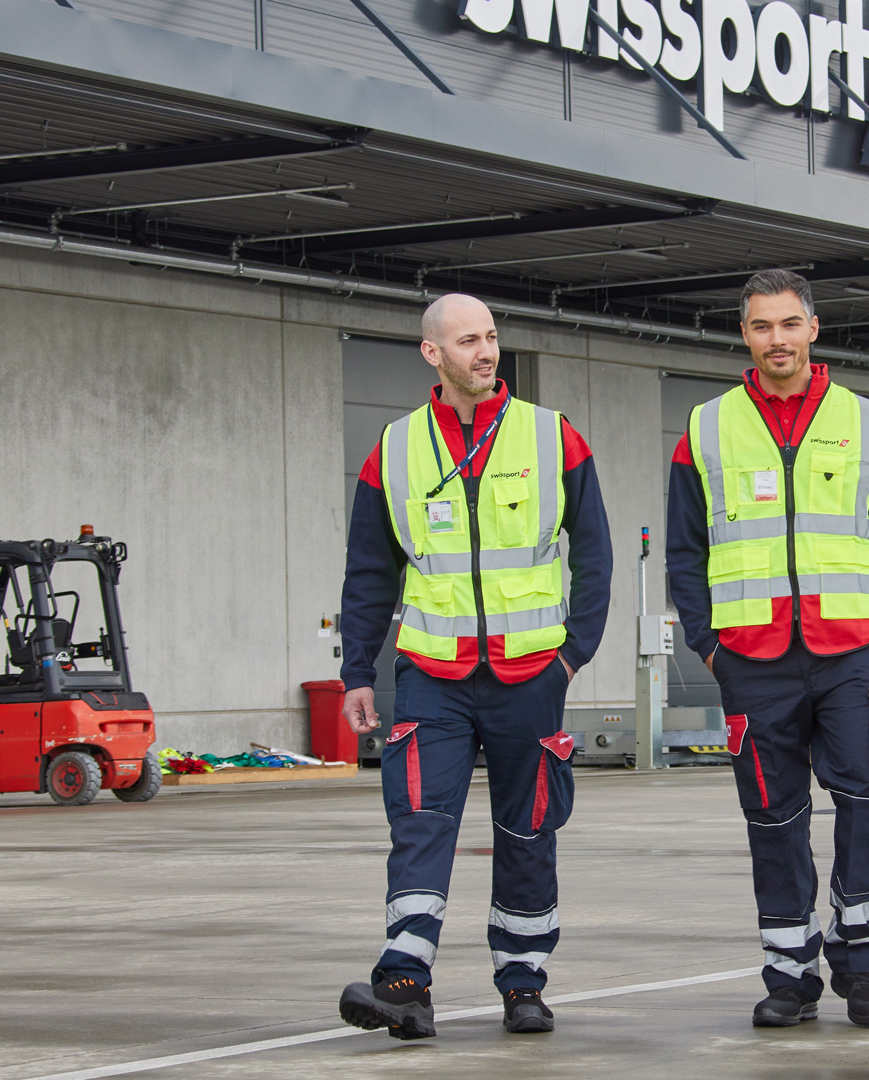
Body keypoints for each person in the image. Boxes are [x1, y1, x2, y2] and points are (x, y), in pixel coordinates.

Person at [666, 268, 869, 1029]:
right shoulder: (706, 428)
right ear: (744, 334)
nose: (777, 339)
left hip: (849, 648)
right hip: (751, 658)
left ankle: (859, 957)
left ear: (813, 328)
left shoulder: (866, 421)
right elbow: (685, 553)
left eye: (789, 324)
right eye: (762, 326)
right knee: (773, 815)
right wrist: (709, 645)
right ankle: (789, 974)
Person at [335, 293, 612, 1039]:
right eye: (468, 341)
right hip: (433, 676)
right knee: (419, 822)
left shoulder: (552, 435)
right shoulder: (395, 448)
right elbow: (369, 572)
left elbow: (594, 552)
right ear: (432, 353)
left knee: (528, 829)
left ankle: (523, 983)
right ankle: (405, 979)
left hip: (531, 675)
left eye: (491, 336)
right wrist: (357, 672)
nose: (486, 351)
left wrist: (572, 654)